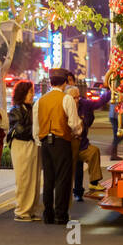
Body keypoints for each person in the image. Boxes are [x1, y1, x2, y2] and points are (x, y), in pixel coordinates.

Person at [34, 69, 82, 225]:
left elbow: (36, 127)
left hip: (45, 142)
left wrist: (39, 141)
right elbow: (74, 124)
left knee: (48, 178)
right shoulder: (66, 99)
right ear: (65, 83)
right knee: (62, 178)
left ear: (50, 82)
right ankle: (60, 214)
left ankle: (48, 214)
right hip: (61, 141)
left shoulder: (40, 100)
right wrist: (77, 131)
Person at [9, 80, 42, 221]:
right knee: (23, 179)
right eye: (30, 92)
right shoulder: (16, 109)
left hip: (33, 145)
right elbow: (20, 129)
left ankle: (31, 210)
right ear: (22, 93)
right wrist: (36, 131)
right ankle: (21, 211)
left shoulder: (30, 108)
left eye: (33, 92)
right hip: (22, 145)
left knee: (34, 179)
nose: (32, 95)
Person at [67, 85, 104, 201]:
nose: (77, 100)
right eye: (74, 98)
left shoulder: (83, 105)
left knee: (93, 151)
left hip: (82, 145)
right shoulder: (64, 108)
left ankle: (93, 181)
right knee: (73, 169)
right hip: (68, 146)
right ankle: (73, 192)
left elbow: (98, 104)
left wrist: (109, 90)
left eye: (78, 97)